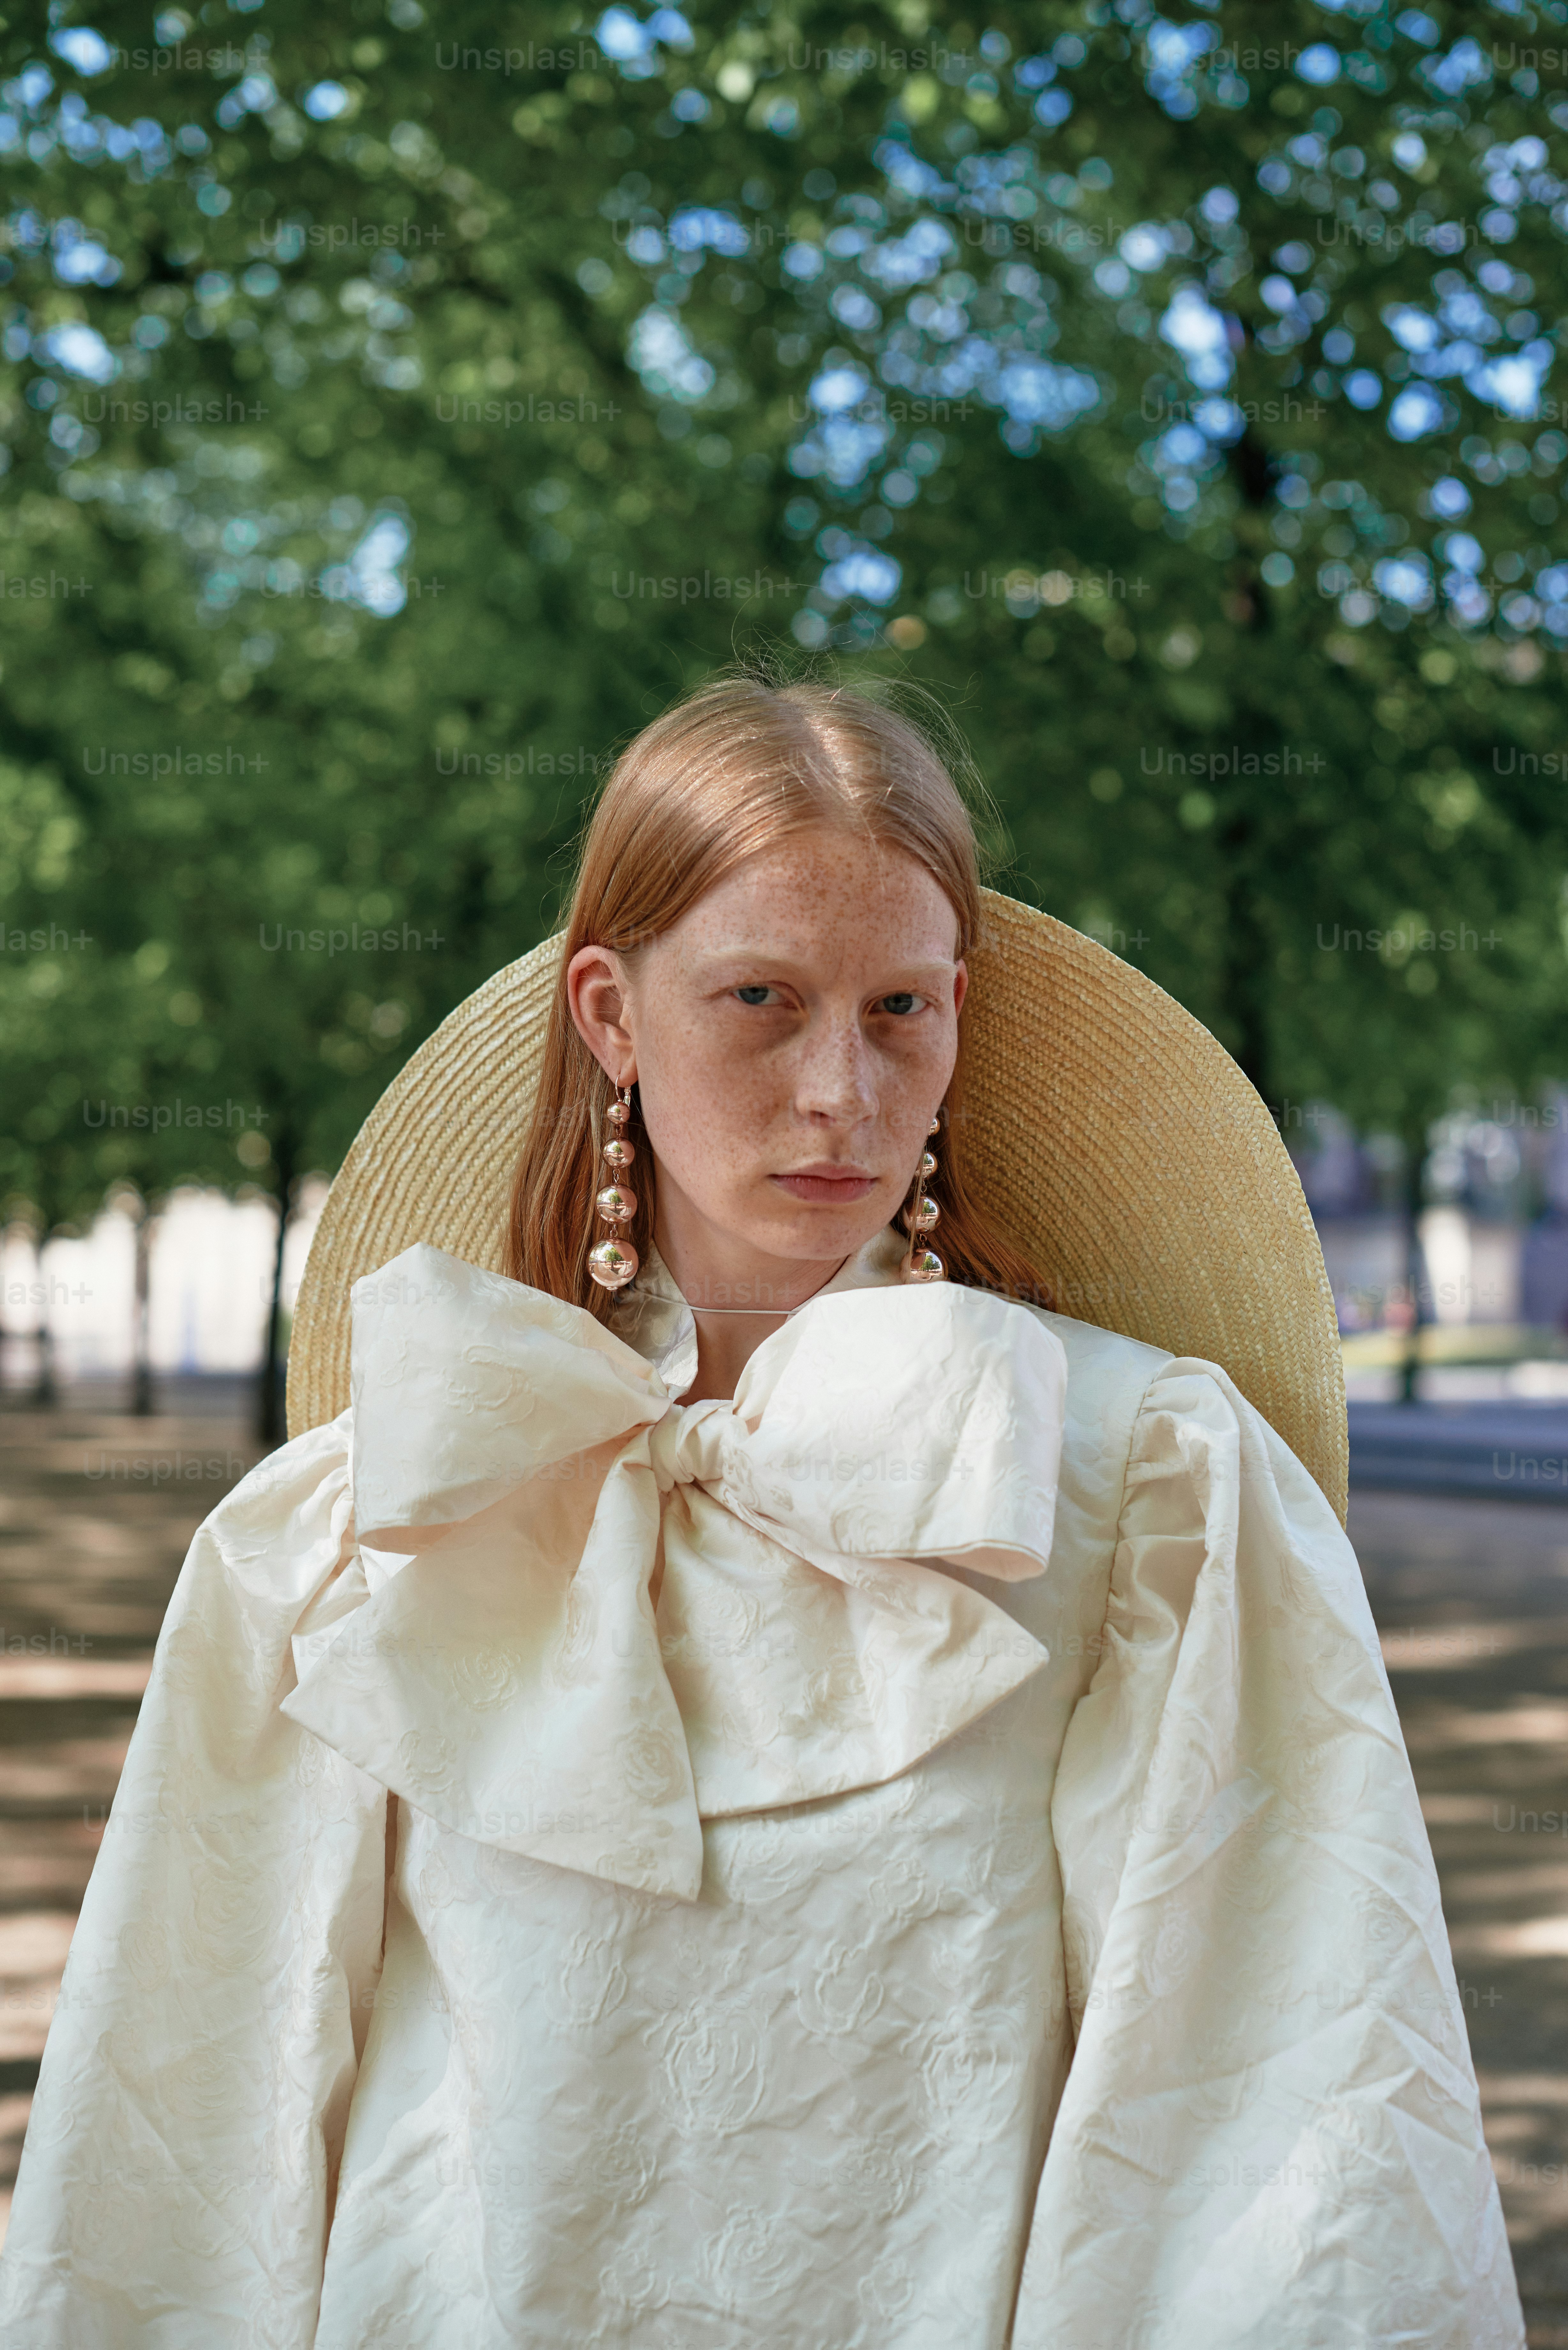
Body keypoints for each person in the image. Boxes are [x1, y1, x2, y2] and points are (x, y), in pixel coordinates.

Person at [0, 679, 1523, 2347]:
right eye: (758, 998)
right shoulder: (367, 1519)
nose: (839, 1092)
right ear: (610, 1014)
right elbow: (185, 2147)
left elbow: (1274, 2120)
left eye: (899, 1009)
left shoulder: (1144, 1487)